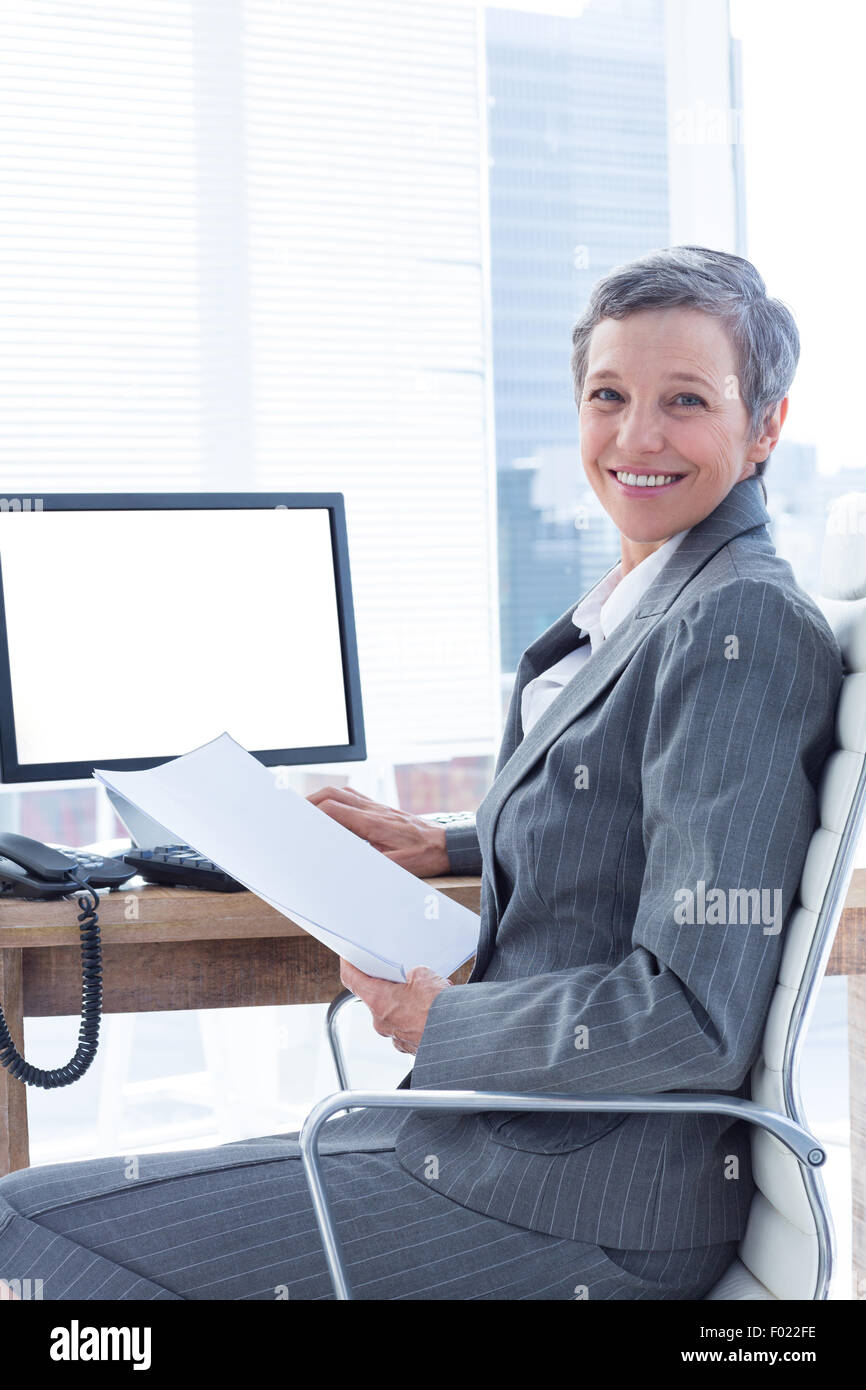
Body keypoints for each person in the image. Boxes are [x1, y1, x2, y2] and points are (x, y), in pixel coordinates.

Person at [0, 245, 842, 1301]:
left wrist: (440, 1021)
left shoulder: (737, 621)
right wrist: (445, 843)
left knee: (25, 1230)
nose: (637, 436)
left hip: (576, 1205)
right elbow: (636, 818)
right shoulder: (655, 598)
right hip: (483, 1140)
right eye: (608, 396)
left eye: (686, 400)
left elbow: (692, 1014)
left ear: (764, 426)